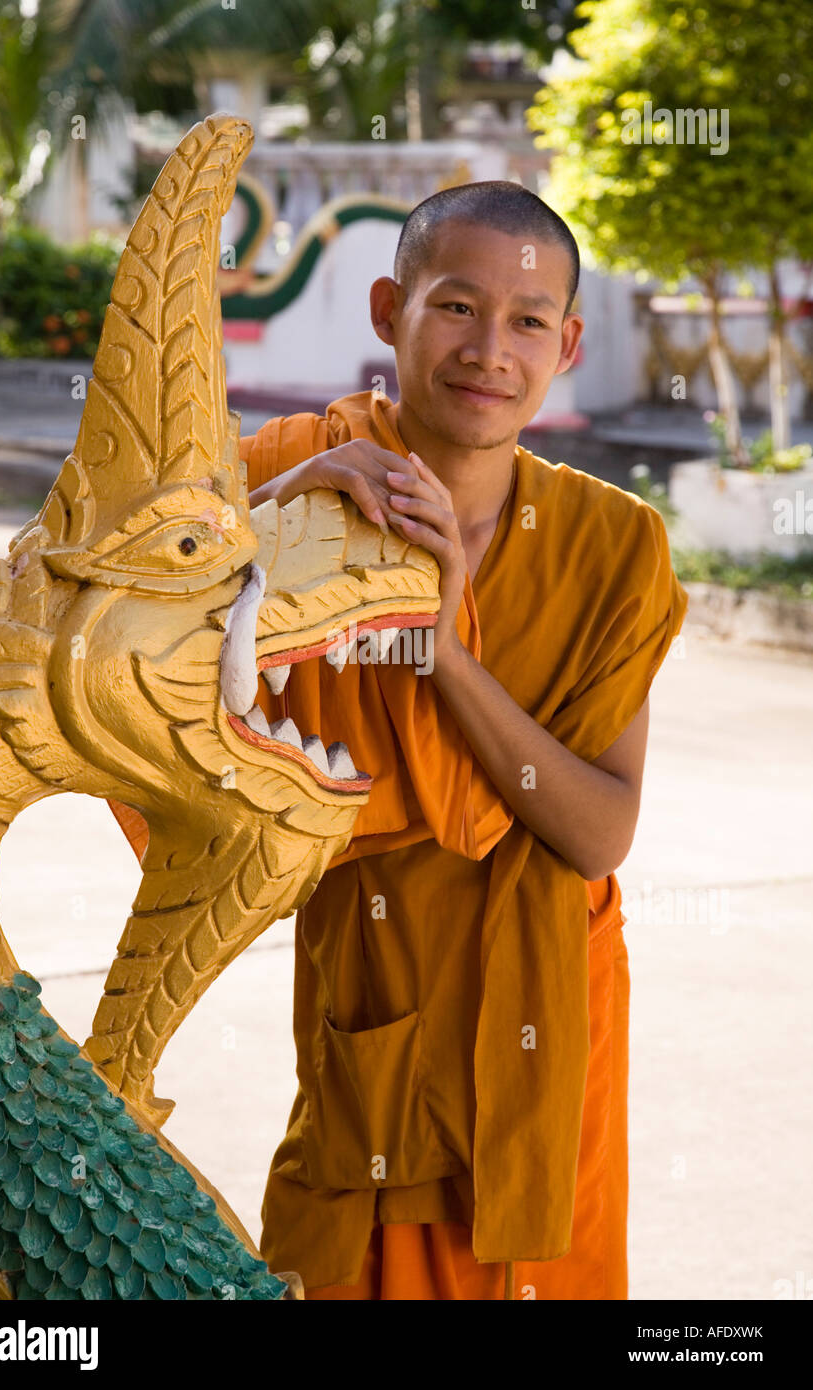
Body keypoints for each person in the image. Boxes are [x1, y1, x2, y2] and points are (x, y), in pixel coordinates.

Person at [114, 181, 688, 1300]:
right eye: (455, 306)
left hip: (550, 1010)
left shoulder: (612, 544)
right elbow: (97, 636)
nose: (488, 350)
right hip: (370, 992)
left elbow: (596, 830)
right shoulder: (278, 469)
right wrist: (274, 506)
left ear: (566, 345)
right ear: (389, 310)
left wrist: (444, 653)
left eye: (526, 322)